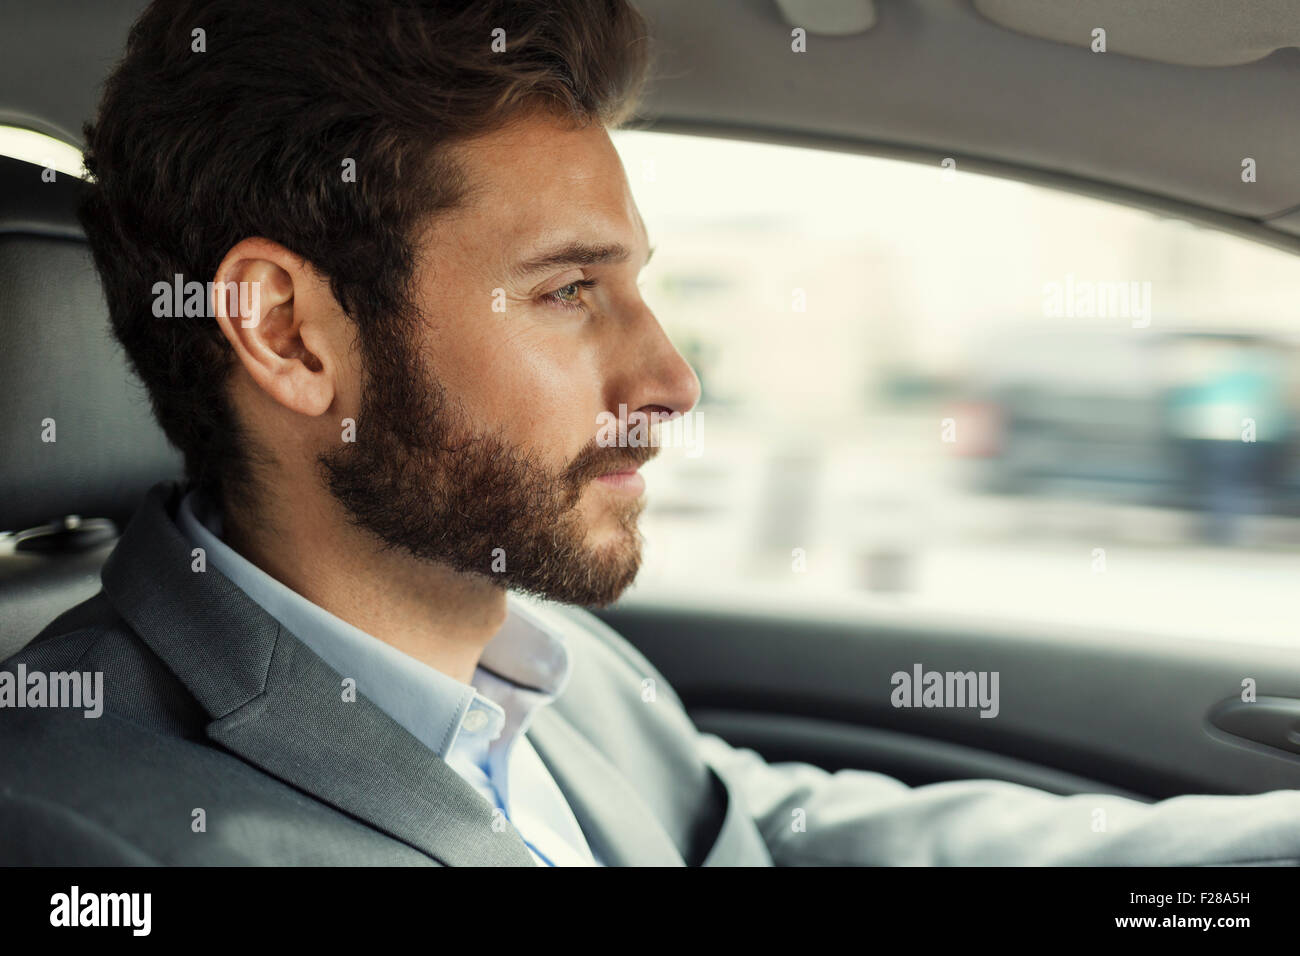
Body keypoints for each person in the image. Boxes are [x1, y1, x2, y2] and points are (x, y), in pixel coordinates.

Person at [3, 0, 1299, 866]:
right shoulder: (77, 833)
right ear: (288, 333)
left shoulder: (545, 664)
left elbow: (783, 836)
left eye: (634, 286)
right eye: (569, 291)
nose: (669, 380)